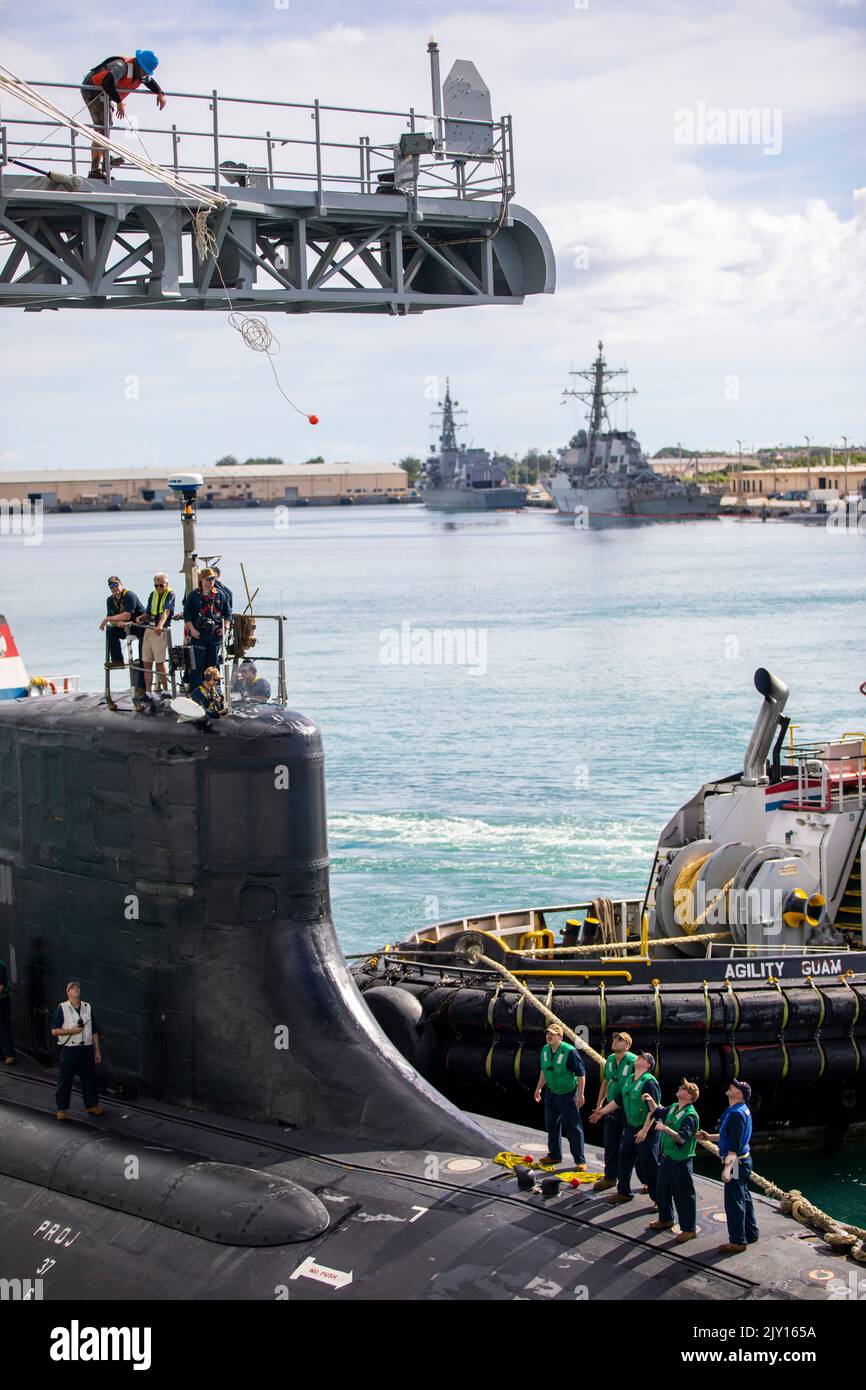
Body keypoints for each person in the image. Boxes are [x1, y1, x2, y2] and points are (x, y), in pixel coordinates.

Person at [80, 51, 166, 181]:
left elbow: (150, 82)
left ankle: (104, 164)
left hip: (105, 93)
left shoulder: (140, 73)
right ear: (139, 65)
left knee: (105, 126)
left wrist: (160, 93)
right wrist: (119, 101)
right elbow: (107, 82)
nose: (144, 75)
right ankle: (98, 167)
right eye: (144, 71)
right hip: (92, 89)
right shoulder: (120, 66)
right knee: (102, 127)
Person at [698, 1080, 759, 1254]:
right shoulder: (739, 1111)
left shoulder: (736, 1115)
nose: (730, 1087)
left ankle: (738, 1241)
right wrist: (709, 1137)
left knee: (734, 1202)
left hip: (736, 1162)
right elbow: (728, 1136)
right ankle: (751, 1232)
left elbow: (734, 1145)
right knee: (744, 1196)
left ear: (739, 1094)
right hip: (742, 1160)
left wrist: (727, 1169)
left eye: (734, 1087)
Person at [593, 1050, 661, 1205]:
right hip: (632, 1127)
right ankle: (624, 1192)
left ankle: (659, 1199)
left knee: (649, 1164)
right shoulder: (630, 1079)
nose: (639, 1057)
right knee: (624, 1158)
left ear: (648, 1065)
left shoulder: (649, 1083)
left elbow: (654, 1111)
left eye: (643, 1057)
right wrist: (601, 1112)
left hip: (647, 1130)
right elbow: (618, 1101)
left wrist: (644, 1131)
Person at [645, 1080, 701, 1243]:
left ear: (689, 1096)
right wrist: (650, 1101)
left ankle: (689, 1229)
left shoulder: (689, 1116)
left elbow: (682, 1139)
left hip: (681, 1161)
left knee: (683, 1194)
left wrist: (665, 1129)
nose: (679, 1088)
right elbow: (658, 1112)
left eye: (682, 1088)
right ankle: (665, 1218)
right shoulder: (674, 1107)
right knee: (662, 1188)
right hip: (667, 1157)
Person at [533, 1023, 586, 1170]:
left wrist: (580, 1094)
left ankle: (580, 1160)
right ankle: (554, 1155)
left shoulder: (570, 1052)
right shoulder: (545, 1050)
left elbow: (581, 1074)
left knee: (573, 1127)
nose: (549, 1036)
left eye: (552, 1034)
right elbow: (544, 1070)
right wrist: (538, 1088)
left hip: (567, 1094)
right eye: (547, 1034)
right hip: (551, 1092)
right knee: (551, 1124)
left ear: (560, 1036)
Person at [590, 1030, 636, 1193]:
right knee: (610, 1143)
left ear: (627, 1045)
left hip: (628, 1109)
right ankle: (610, 1177)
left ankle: (643, 1181)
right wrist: (599, 1104)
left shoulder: (634, 1062)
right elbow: (606, 1081)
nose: (614, 1041)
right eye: (614, 1039)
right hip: (611, 1108)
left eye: (619, 1040)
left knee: (630, 1147)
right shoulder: (610, 1060)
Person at [51, 981, 104, 1119]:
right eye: (72, 988)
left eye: (77, 988)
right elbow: (54, 1031)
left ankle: (91, 1105)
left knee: (89, 1077)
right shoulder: (62, 1008)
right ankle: (61, 1109)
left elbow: (94, 1031)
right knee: (65, 1079)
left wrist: (97, 1051)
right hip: (69, 1048)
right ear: (68, 992)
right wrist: (72, 1031)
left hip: (86, 1048)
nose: (76, 990)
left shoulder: (87, 1007)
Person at [184, 568, 232, 689]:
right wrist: (192, 630)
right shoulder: (194, 595)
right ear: (202, 580)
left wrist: (225, 627)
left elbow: (228, 614)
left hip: (214, 636)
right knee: (197, 666)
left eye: (213, 579)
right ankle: (196, 692)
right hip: (199, 635)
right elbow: (187, 615)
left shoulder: (220, 595)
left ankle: (215, 692)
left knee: (213, 666)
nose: (211, 582)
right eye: (208, 579)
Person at [141, 572, 176, 693]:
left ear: (166, 584)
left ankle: (166, 691)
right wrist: (141, 618)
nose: (158, 588)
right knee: (146, 662)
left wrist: (160, 625)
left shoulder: (170, 594)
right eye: (156, 585)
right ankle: (148, 692)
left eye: (161, 585)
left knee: (160, 663)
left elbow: (166, 611)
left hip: (160, 631)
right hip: (149, 629)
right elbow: (149, 612)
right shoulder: (153, 595)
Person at [99, 576, 144, 669]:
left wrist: (107, 619)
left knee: (142, 659)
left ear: (121, 584)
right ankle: (117, 660)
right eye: (111, 586)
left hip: (139, 626)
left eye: (116, 584)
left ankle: (142, 660)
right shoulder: (110, 600)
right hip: (125, 627)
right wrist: (117, 622)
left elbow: (127, 615)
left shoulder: (130, 595)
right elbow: (112, 619)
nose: (114, 588)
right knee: (111, 631)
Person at [0, 957, 15, 1064]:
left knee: (4, 1025)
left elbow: (0, 986)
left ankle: (9, 1053)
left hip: (2, 1000)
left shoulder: (0, 965)